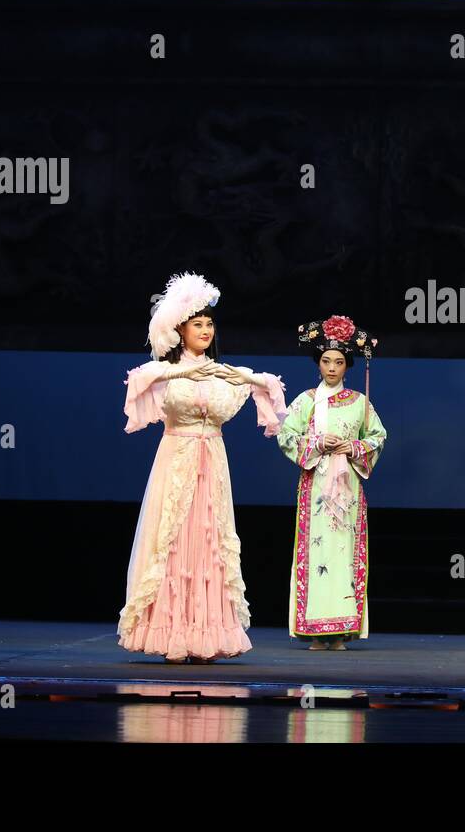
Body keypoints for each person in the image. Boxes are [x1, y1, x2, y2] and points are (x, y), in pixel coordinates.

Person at [118, 272, 287, 663]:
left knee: (211, 536)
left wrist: (236, 375)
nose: (206, 330)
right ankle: (172, 633)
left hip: (212, 459)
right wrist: (181, 371)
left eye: (210, 324)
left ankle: (208, 633)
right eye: (198, 324)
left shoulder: (221, 374)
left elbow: (269, 386)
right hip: (175, 457)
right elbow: (138, 380)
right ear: (181, 329)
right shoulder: (165, 372)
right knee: (172, 537)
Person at [277, 315, 387, 650]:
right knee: (315, 553)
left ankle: (340, 631)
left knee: (343, 555)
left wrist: (352, 446)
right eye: (326, 361)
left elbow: (377, 438)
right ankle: (314, 628)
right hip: (316, 485)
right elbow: (286, 435)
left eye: (339, 362)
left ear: (347, 365)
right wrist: (315, 444)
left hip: (348, 490)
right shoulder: (306, 400)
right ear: (318, 363)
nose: (332, 368)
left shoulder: (359, 402)